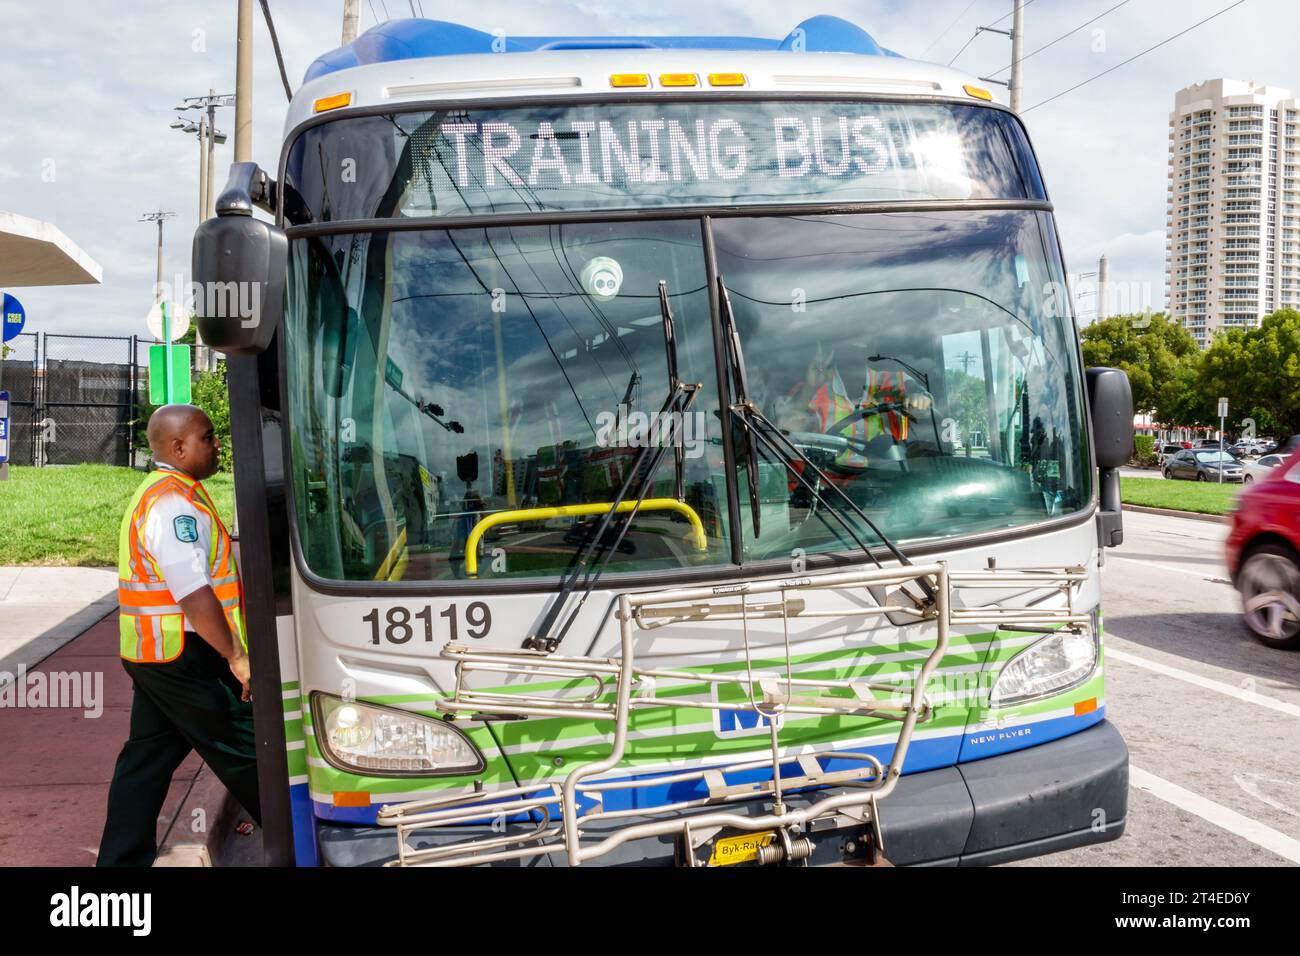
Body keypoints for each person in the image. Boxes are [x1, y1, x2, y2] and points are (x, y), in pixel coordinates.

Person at [97, 405, 260, 866]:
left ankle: (120, 864)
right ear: (178, 447)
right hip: (185, 657)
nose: (217, 445)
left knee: (145, 764)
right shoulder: (172, 505)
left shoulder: (177, 493)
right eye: (209, 437)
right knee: (248, 750)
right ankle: (301, 832)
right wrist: (236, 655)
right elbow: (193, 592)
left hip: (159, 654)